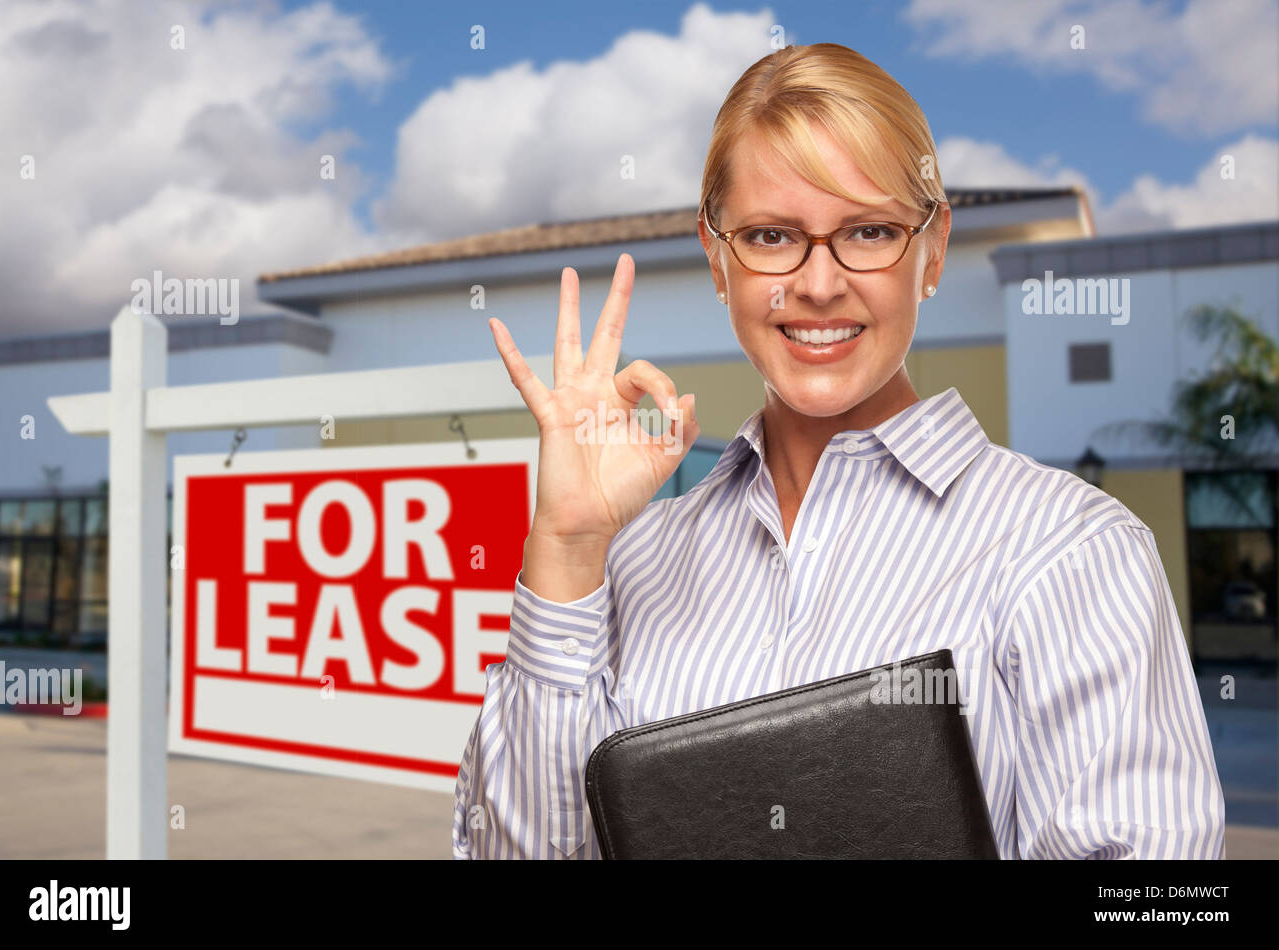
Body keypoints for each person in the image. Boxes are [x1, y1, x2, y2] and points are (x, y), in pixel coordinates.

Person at [451, 42, 1226, 859]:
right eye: (773, 235)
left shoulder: (1071, 551)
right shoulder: (633, 562)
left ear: (932, 250)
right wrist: (569, 549)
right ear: (718, 259)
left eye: (869, 230)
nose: (818, 284)